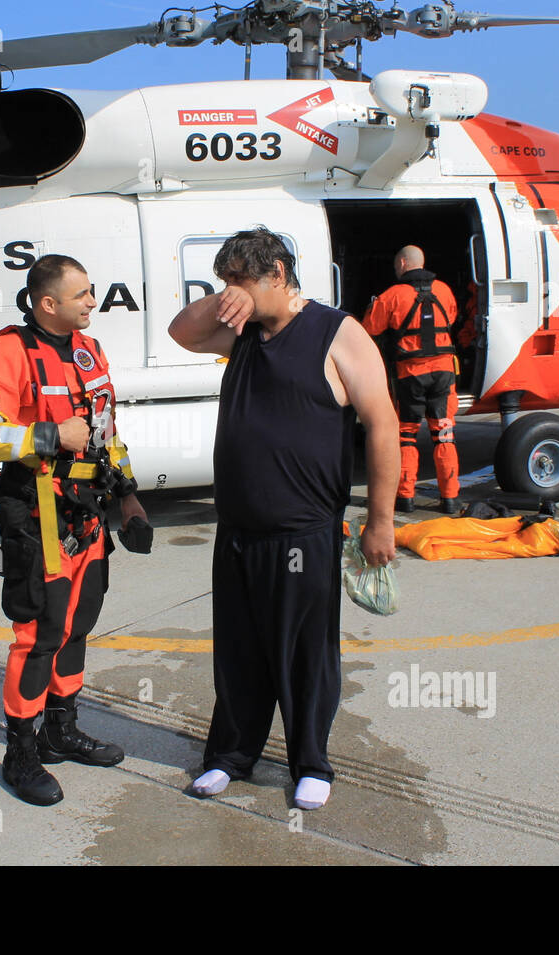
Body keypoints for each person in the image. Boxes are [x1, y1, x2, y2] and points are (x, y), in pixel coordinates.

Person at [167, 227, 399, 810]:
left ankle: (310, 762)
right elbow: (181, 332)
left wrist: (380, 518)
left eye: (239, 281)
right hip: (239, 530)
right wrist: (225, 300)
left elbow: (382, 422)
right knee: (239, 652)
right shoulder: (239, 330)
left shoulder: (337, 331)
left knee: (304, 654)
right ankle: (230, 756)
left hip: (304, 532)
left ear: (277, 272)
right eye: (224, 283)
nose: (230, 294)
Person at [0, 254, 151, 807]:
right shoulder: (6, 352)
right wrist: (47, 435)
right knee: (39, 635)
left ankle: (60, 732)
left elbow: (106, 430)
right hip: (36, 515)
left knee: (78, 626)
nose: (94, 301)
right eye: (84, 293)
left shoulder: (91, 351)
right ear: (49, 303)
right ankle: (20, 753)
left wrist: (131, 500)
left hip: (89, 514)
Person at [361, 245, 462, 514]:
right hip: (443, 373)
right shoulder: (444, 290)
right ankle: (450, 499)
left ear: (403, 263)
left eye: (397, 265)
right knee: (444, 434)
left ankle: (405, 498)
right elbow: (451, 316)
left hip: (411, 375)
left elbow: (369, 328)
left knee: (406, 437)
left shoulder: (392, 295)